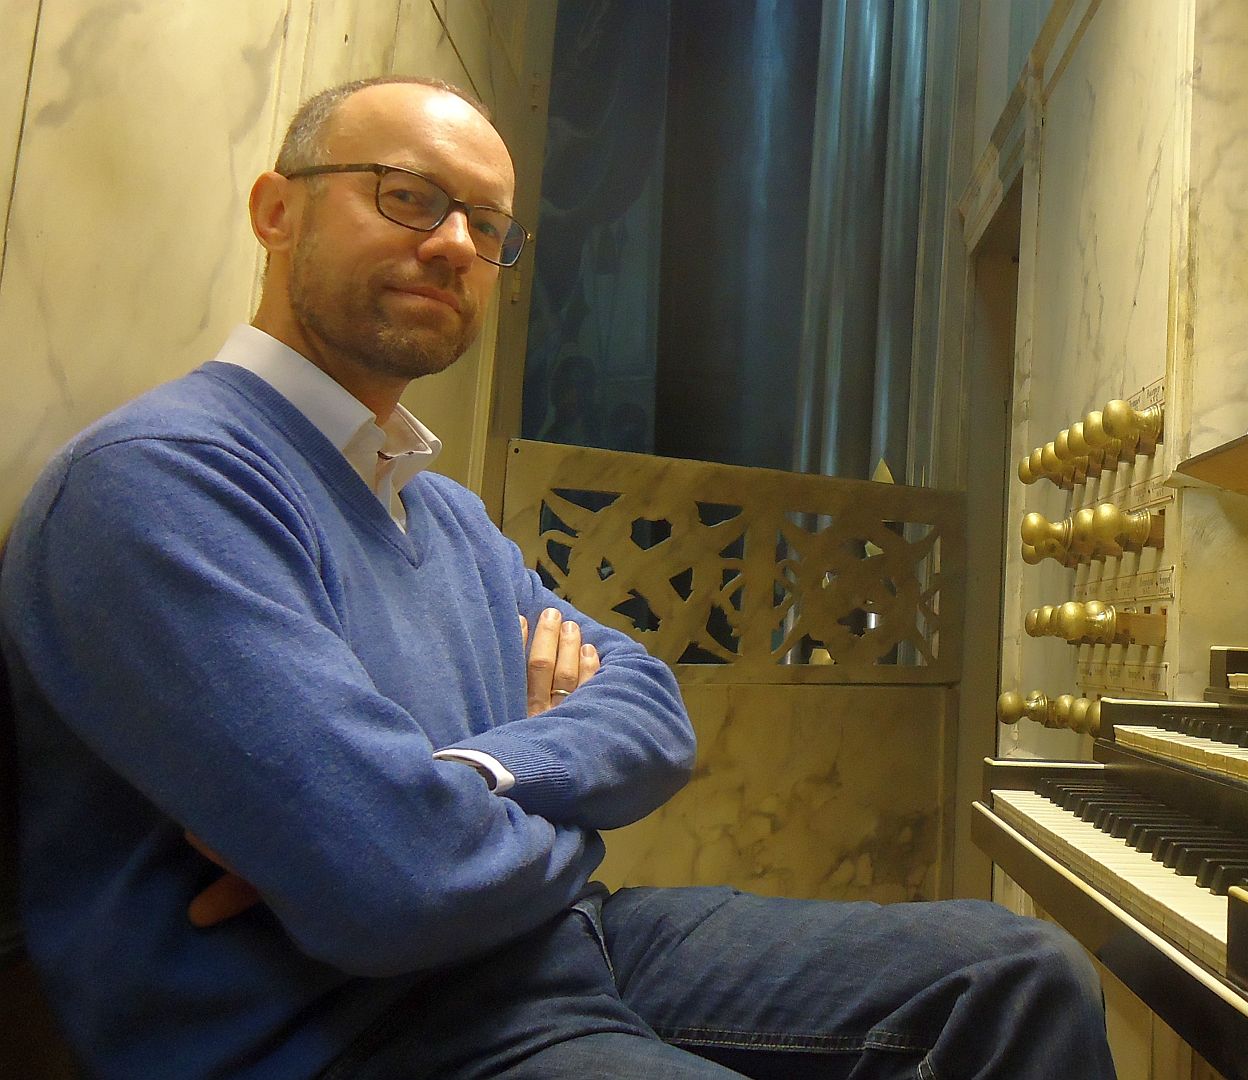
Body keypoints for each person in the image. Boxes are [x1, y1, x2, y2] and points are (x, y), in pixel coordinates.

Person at [0, 75, 1117, 1080]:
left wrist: (469, 779)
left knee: (1016, 971)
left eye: (485, 226)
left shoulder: (439, 507)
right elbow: (393, 885)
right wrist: (555, 805)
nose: (451, 244)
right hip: (350, 1029)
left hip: (551, 948)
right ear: (276, 210)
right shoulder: (161, 483)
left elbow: (651, 709)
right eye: (405, 196)